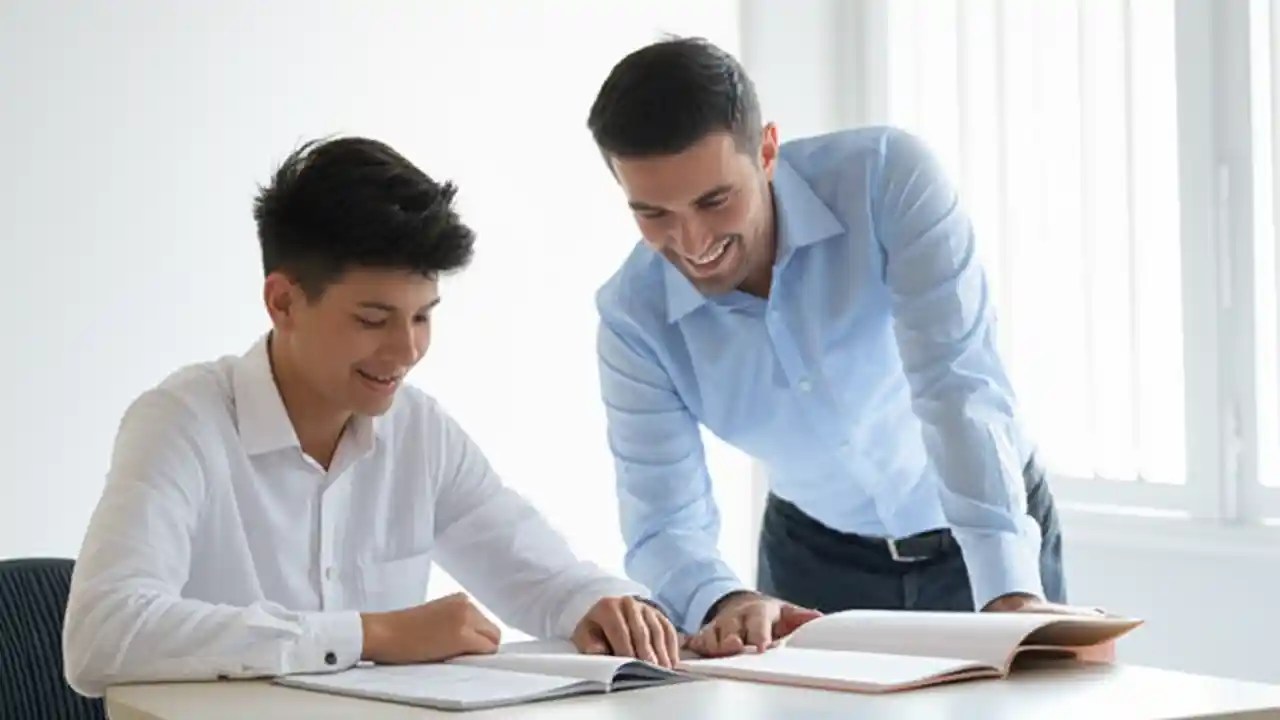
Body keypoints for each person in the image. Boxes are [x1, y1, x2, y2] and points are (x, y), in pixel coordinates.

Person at [63, 136, 679, 698]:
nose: (407, 351)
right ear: (283, 302)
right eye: (373, 320)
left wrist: (603, 602)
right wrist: (370, 634)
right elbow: (101, 634)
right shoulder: (181, 423)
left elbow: (542, 573)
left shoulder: (418, 430)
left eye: (423, 317)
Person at [585, 37, 1084, 659]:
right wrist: (723, 600)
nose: (691, 240)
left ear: (766, 150)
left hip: (986, 531)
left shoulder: (887, 177)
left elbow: (957, 385)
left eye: (715, 200)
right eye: (653, 213)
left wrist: (1009, 591)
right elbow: (663, 516)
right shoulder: (634, 317)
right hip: (814, 563)